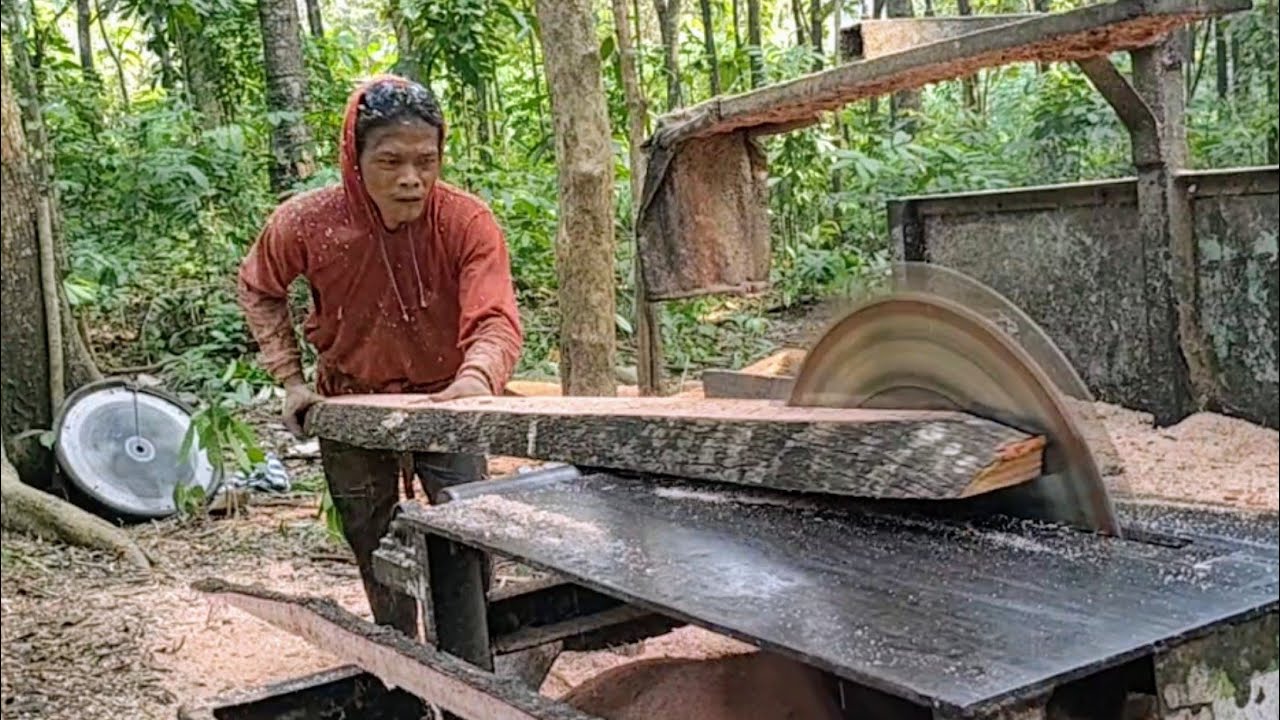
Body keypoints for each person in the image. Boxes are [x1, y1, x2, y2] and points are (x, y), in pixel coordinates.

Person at [236, 75, 522, 638]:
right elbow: (259, 286)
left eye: (426, 160)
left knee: (466, 530)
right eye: (390, 161)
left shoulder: (466, 222)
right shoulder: (306, 222)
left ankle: (470, 662)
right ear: (355, 159)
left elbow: (496, 319)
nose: (411, 179)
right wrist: (292, 380)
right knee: (372, 538)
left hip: (448, 399)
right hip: (348, 400)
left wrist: (476, 379)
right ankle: (398, 660)